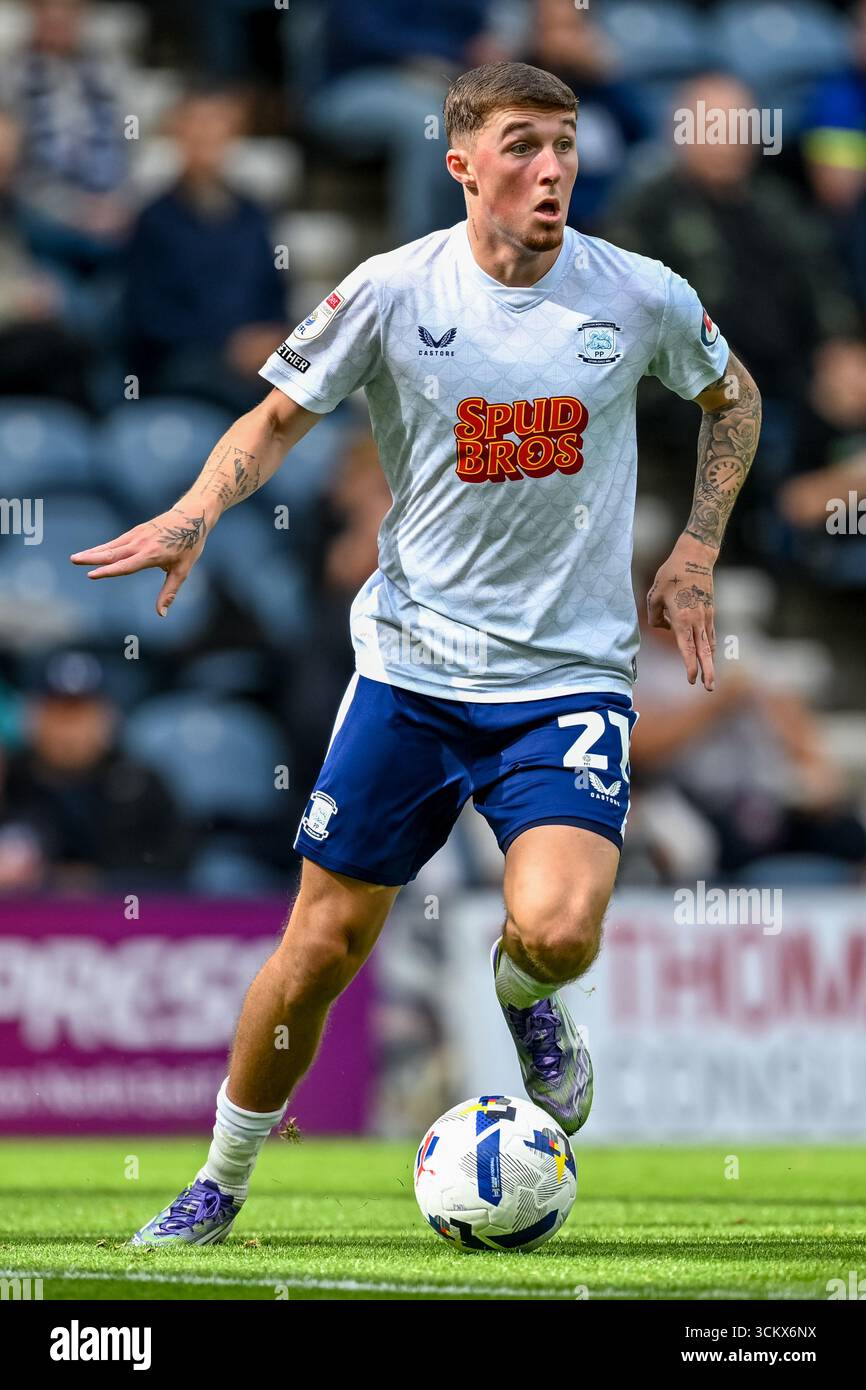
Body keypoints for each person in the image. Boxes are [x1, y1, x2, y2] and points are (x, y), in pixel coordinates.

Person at [71, 61, 761, 1246]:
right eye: (520, 147)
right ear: (460, 164)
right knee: (323, 943)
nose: (550, 170)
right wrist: (197, 505)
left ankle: (526, 1001)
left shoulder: (635, 293)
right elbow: (278, 417)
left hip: (564, 678)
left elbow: (731, 395)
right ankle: (220, 1181)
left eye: (563, 146)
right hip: (411, 669)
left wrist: (695, 547)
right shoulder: (393, 291)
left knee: (552, 926)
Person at [123, 87, 289, 413]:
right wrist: (228, 345)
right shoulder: (154, 219)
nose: (207, 135)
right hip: (183, 362)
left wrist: (269, 340)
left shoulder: (254, 215)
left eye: (218, 125)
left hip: (255, 358)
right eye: (197, 124)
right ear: (178, 132)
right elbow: (146, 315)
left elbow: (275, 293)